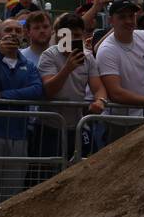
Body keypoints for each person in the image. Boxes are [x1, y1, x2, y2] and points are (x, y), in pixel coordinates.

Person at [0, 17, 43, 211]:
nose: (13, 33)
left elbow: (37, 90)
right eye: (8, 30)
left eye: (17, 30)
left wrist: (4, 95)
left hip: (19, 135)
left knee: (12, 192)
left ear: (23, 35)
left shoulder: (28, 64)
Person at [36, 13, 108, 160]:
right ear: (60, 35)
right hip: (50, 126)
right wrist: (67, 68)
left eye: (78, 35)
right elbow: (48, 90)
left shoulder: (88, 57)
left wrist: (100, 100)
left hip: (77, 125)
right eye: (70, 35)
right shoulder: (49, 55)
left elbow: (98, 87)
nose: (74, 39)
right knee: (47, 170)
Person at [95, 0, 144, 119]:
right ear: (111, 21)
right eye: (122, 17)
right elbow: (116, 93)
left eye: (131, 16)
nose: (129, 21)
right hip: (117, 119)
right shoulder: (106, 50)